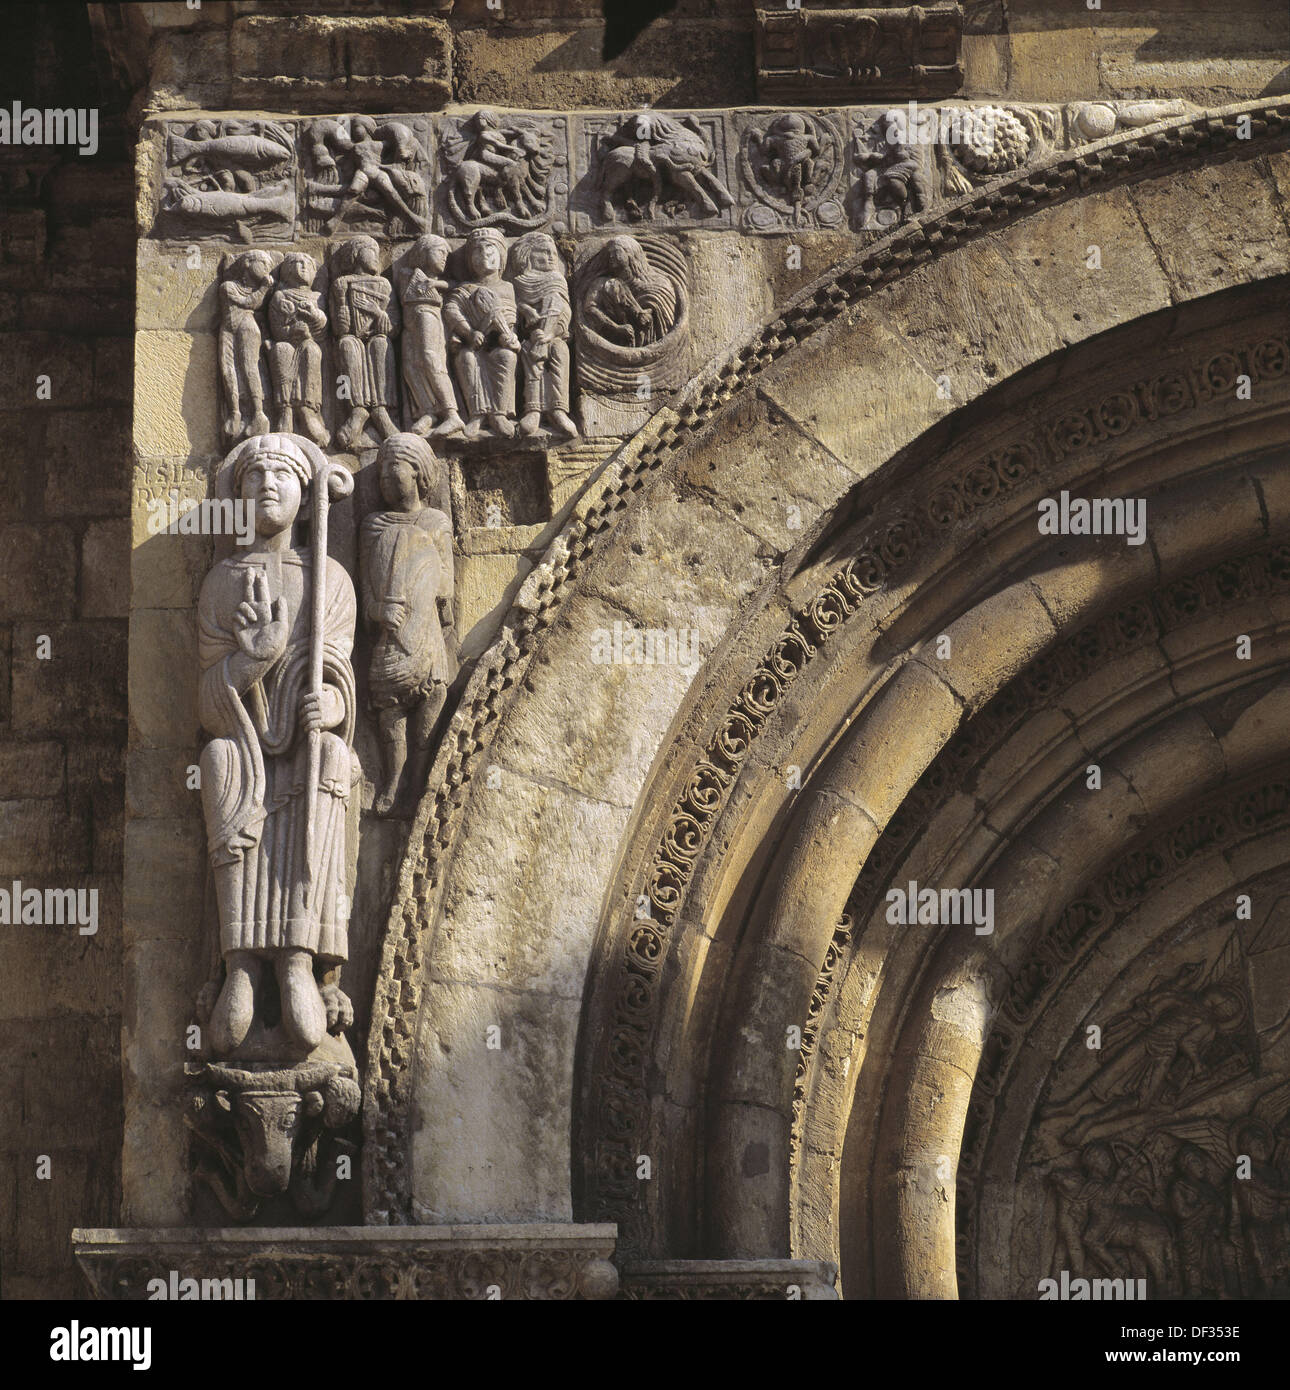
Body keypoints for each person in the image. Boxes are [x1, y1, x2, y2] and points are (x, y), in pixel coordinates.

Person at [197, 434, 358, 1055]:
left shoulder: (330, 580)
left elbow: (339, 667)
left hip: (303, 741)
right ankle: (240, 958)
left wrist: (335, 702)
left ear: (305, 494)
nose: (266, 484)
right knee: (217, 760)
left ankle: (299, 952)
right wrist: (250, 660)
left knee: (332, 757)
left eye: (282, 475)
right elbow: (208, 703)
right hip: (245, 743)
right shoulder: (221, 583)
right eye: (252, 476)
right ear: (236, 498)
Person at [360, 434, 456, 815]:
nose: (384, 477)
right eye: (381, 471)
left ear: (417, 473)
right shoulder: (372, 525)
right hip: (389, 633)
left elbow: (446, 579)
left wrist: (425, 583)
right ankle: (393, 781)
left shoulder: (435, 521)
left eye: (393, 469)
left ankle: (421, 782)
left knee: (431, 705)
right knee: (389, 714)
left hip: (427, 635)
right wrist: (377, 610)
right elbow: (364, 584)